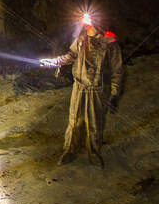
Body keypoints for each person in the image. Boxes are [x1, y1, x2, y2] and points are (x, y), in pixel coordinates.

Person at [40, 13, 125, 165]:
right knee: (74, 121)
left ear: (99, 26)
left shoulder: (110, 44)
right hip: (79, 87)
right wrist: (53, 62)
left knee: (94, 123)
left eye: (90, 24)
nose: (87, 27)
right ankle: (70, 151)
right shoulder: (82, 39)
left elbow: (117, 71)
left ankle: (93, 153)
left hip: (97, 90)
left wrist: (114, 94)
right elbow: (70, 56)